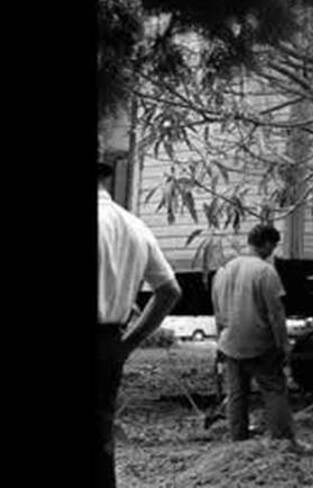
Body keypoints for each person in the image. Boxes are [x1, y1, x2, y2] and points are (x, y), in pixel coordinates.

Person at [98, 159, 183, 488]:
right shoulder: (134, 225)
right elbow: (169, 291)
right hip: (108, 344)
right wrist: (127, 344)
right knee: (101, 435)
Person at [211, 224, 306, 451]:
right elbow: (275, 313)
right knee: (274, 389)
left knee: (237, 394)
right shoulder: (265, 271)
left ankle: (238, 443)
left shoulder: (223, 270)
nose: (273, 250)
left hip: (230, 342)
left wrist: (220, 340)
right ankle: (283, 441)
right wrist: (283, 344)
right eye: (273, 245)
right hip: (259, 343)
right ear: (266, 244)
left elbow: (217, 310)